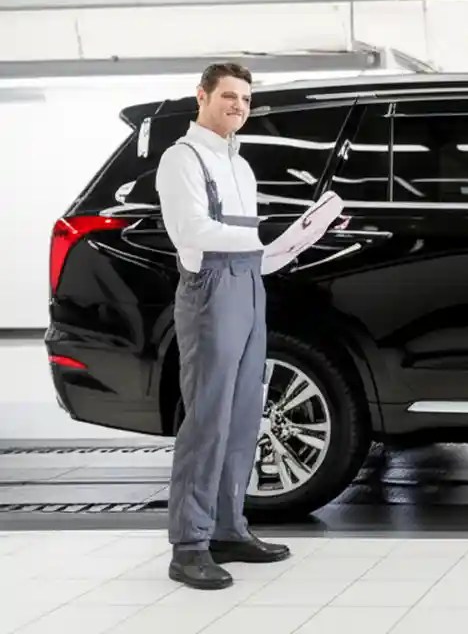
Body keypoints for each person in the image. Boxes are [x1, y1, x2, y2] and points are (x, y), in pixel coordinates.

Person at [156, 62, 290, 590]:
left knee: (243, 415)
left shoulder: (242, 165)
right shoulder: (182, 158)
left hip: (250, 284)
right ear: (202, 96)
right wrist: (263, 239)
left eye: (246, 100)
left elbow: (249, 235)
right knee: (208, 420)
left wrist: (289, 243)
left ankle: (229, 529)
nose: (239, 106)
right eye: (230, 96)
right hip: (210, 290)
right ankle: (189, 546)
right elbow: (191, 229)